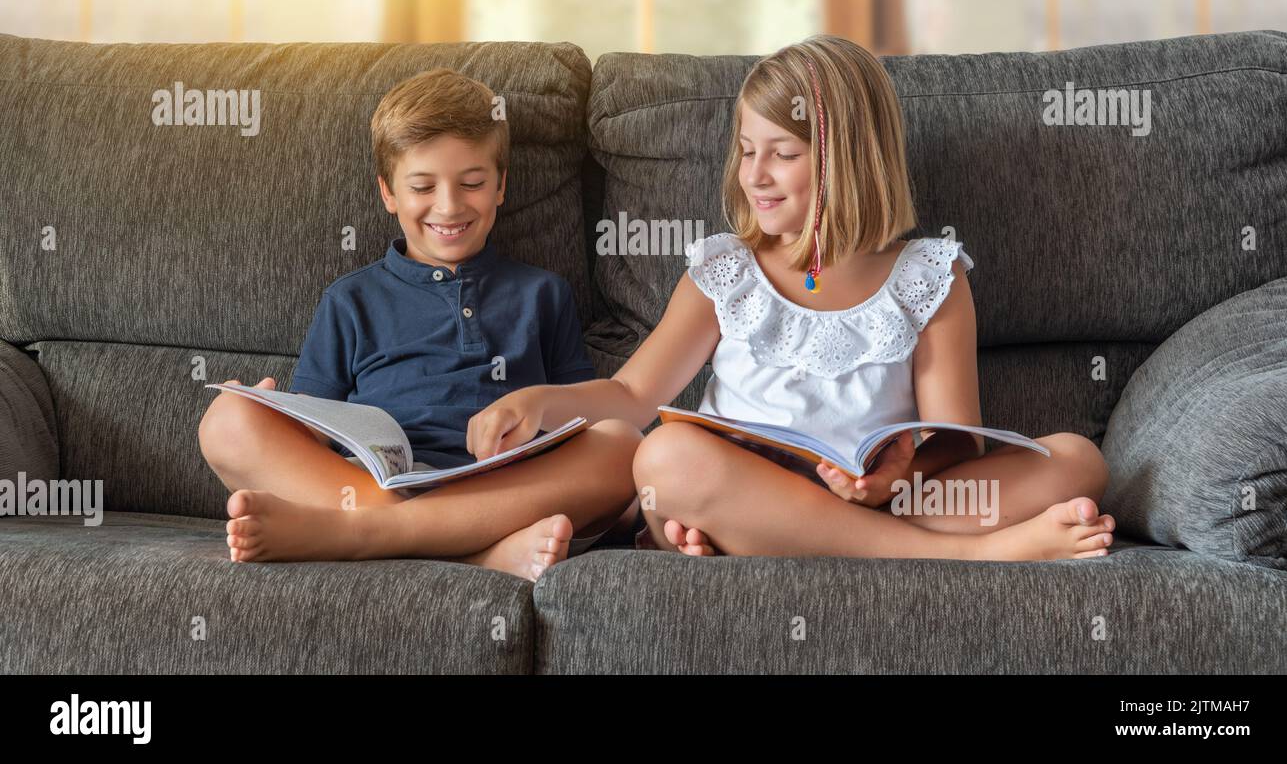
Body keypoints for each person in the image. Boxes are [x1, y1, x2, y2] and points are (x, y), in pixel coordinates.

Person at [466, 34, 1116, 561]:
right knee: (664, 456)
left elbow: (958, 443)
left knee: (1074, 461)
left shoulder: (930, 277)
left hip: (881, 500)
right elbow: (634, 396)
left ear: (848, 162)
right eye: (747, 150)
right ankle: (977, 553)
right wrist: (540, 400)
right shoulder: (726, 268)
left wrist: (890, 477)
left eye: (781, 153)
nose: (753, 174)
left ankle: (789, 538)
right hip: (745, 486)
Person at [198, 68, 641, 579]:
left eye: (472, 183)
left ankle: (364, 537)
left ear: (501, 186)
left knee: (622, 442)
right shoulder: (350, 300)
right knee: (226, 420)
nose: (449, 206)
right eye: (423, 186)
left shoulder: (543, 293)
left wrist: (537, 423)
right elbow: (317, 433)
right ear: (388, 193)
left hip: (501, 492)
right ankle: (479, 554)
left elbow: (580, 417)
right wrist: (266, 408)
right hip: (377, 485)